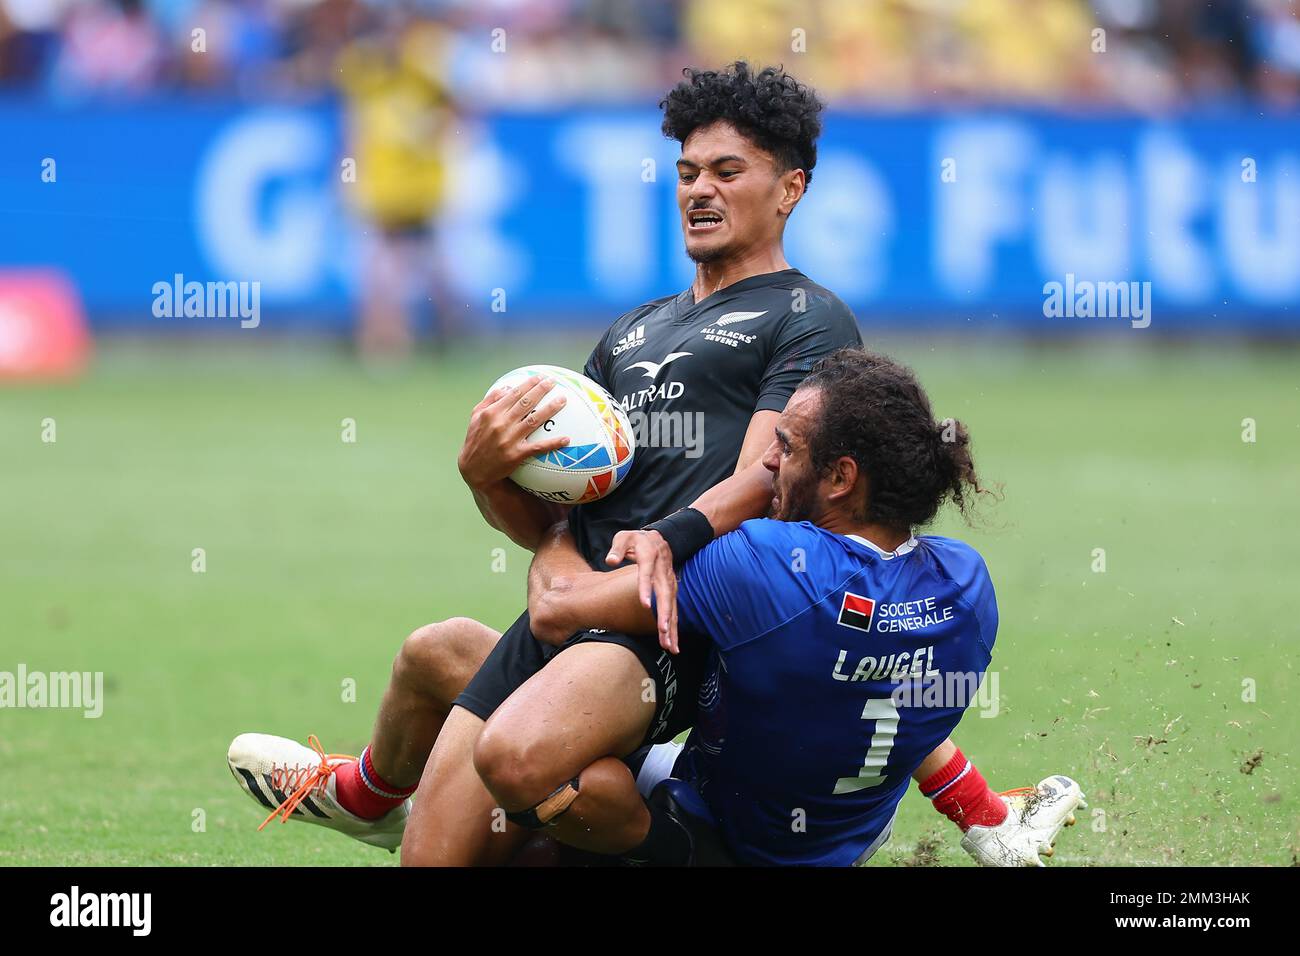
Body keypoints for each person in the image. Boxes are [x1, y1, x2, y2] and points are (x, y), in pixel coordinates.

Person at [228, 62, 1064, 867]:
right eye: (688, 171)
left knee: (517, 762)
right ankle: (379, 802)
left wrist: (666, 536)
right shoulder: (632, 333)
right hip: (578, 608)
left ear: (790, 189)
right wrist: (490, 478)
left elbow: (768, 480)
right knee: (434, 735)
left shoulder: (806, 320)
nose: (700, 189)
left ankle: (498, 815)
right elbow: (561, 507)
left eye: (728, 171)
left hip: (662, 635)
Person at [522, 348, 1085, 865]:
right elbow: (878, 673)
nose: (766, 461)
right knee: (873, 684)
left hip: (732, 830)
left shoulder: (768, 566)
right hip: (848, 838)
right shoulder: (966, 583)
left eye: (786, 445)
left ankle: (687, 854)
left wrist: (559, 523)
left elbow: (556, 607)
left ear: (841, 478)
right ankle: (989, 821)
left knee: (548, 770)